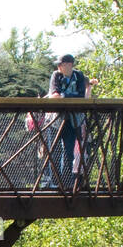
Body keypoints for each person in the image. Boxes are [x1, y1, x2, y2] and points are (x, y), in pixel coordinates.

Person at [45, 54, 98, 189]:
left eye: (61, 64)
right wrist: (63, 96)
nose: (58, 67)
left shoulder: (78, 76)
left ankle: (67, 183)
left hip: (72, 120)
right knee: (53, 152)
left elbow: (80, 95)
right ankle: (54, 183)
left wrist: (62, 95)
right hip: (55, 120)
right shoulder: (56, 75)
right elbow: (53, 93)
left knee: (69, 152)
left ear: (69, 65)